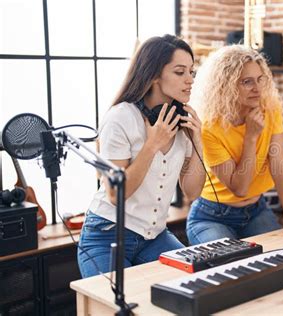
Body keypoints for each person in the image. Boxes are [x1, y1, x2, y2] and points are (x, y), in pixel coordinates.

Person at [78, 35, 205, 278]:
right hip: (106, 235)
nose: (190, 80)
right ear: (154, 74)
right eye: (180, 72)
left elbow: (192, 191)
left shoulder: (183, 120)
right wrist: (152, 145)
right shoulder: (120, 118)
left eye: (192, 72)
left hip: (154, 236)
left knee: (196, 281)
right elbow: (116, 195)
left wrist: (198, 139)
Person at [186, 45, 283, 245]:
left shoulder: (270, 110)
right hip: (211, 215)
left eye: (260, 79)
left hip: (257, 210)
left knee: (280, 259)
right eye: (247, 82)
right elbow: (239, 188)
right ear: (226, 85)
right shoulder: (209, 127)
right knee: (230, 264)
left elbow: (279, 164)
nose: (257, 89)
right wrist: (251, 136)